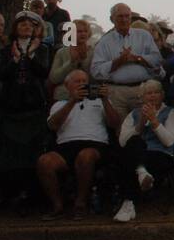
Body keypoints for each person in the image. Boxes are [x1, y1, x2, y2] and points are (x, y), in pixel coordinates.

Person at [37, 70, 121, 219]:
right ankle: (57, 206)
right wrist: (72, 102)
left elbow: (115, 123)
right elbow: (52, 126)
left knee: (85, 155)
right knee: (45, 161)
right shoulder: (59, 105)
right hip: (66, 146)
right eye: (77, 81)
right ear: (67, 85)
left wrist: (105, 100)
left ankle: (80, 203)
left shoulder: (99, 102)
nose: (82, 84)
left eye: (85, 81)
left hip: (95, 144)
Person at [0, 11, 52, 207]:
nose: (26, 28)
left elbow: (43, 72)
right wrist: (15, 59)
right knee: (12, 153)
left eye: (30, 25)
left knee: (33, 151)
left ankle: (33, 193)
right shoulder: (7, 50)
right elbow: (1, 74)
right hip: (12, 106)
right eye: (22, 25)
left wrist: (30, 56)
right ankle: (12, 193)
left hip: (34, 104)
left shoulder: (42, 49)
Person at [114, 79, 174, 222]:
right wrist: (141, 124)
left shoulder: (170, 112)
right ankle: (142, 172)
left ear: (162, 95)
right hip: (138, 154)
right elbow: (122, 140)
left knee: (129, 162)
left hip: (160, 154)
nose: (153, 96)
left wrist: (155, 122)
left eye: (156, 92)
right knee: (134, 142)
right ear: (142, 97)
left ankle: (128, 204)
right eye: (149, 93)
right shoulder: (134, 114)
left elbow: (169, 141)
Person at [90, 2, 162, 115]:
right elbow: (96, 71)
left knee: (145, 126)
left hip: (142, 90)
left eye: (127, 16)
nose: (124, 20)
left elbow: (157, 60)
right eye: (120, 16)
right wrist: (119, 61)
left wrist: (137, 58)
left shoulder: (144, 36)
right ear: (111, 19)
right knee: (120, 129)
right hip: (116, 93)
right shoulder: (104, 42)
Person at [49, 19, 94, 101]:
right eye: (79, 31)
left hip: (86, 96)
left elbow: (95, 78)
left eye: (85, 31)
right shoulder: (61, 52)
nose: (83, 34)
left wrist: (83, 61)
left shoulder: (94, 52)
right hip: (64, 95)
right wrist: (71, 62)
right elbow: (54, 78)